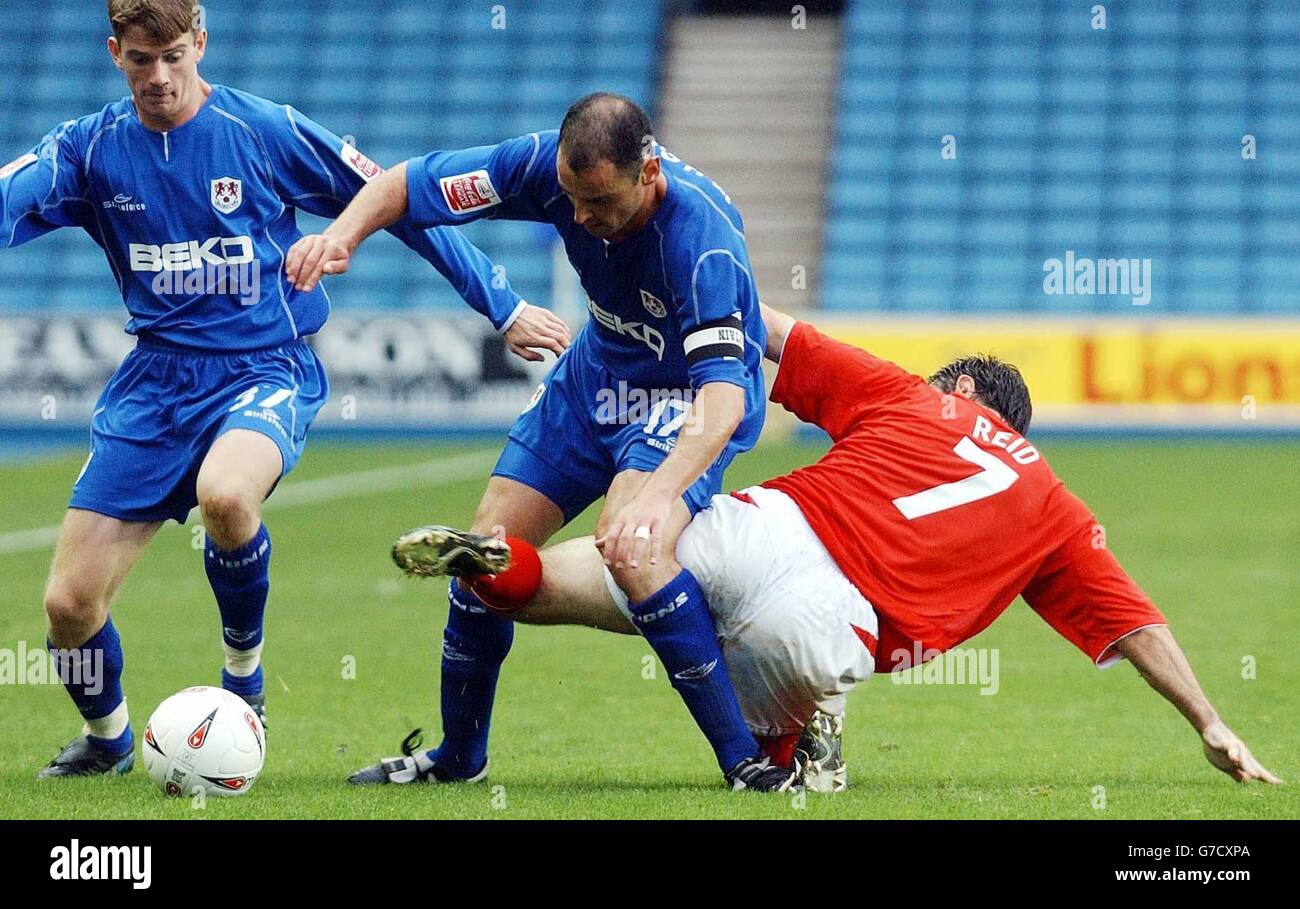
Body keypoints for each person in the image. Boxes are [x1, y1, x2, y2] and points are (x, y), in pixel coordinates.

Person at [0, 0, 568, 778]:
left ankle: (244, 681)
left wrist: (501, 303)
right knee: (68, 607)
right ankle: (108, 740)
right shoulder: (90, 148)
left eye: (172, 56)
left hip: (264, 367)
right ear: (114, 54)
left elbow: (400, 201)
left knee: (227, 496)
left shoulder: (263, 131)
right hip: (154, 386)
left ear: (200, 42)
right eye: (140, 60)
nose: (159, 77)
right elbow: (12, 192)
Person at [390, 304, 1281, 790]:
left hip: (757, 530)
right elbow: (1134, 625)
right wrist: (1211, 720)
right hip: (828, 627)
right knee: (794, 732)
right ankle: (796, 744)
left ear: (964, 387)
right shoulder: (1054, 504)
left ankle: (505, 564)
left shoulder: (917, 397)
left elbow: (775, 329)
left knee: (593, 572)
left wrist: (680, 283)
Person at [287, 93, 797, 790]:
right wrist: (343, 235)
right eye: (570, 198)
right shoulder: (540, 166)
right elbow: (404, 184)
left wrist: (658, 495)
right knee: (482, 553)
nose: (580, 218)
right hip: (595, 378)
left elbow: (725, 397)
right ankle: (459, 758)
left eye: (599, 203)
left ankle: (745, 759)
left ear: (649, 172)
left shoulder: (702, 238)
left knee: (632, 544)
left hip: (687, 397)